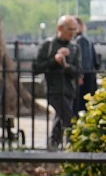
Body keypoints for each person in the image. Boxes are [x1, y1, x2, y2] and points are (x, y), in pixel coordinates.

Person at [34, 13, 82, 146]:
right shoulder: (48, 45)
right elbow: (36, 67)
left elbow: (78, 70)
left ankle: (54, 142)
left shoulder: (75, 48)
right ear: (60, 28)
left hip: (69, 89)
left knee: (60, 115)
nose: (73, 33)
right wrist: (54, 60)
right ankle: (72, 142)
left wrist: (66, 65)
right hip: (53, 88)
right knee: (67, 116)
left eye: (75, 30)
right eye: (70, 30)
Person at [72, 17, 101, 117]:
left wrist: (80, 75)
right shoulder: (86, 39)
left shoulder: (80, 40)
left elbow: (84, 59)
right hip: (89, 75)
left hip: (84, 76)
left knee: (80, 105)